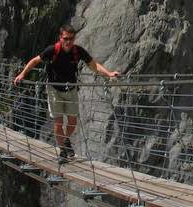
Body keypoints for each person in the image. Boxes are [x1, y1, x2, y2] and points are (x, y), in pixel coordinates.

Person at [14, 25, 119, 164]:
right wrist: (22, 74)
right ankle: (63, 151)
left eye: (71, 39)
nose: (68, 42)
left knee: (72, 122)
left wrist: (109, 73)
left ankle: (64, 141)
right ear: (60, 38)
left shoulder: (78, 51)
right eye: (65, 39)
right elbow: (35, 61)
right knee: (58, 123)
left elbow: (93, 65)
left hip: (71, 89)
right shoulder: (52, 50)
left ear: (74, 39)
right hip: (54, 90)